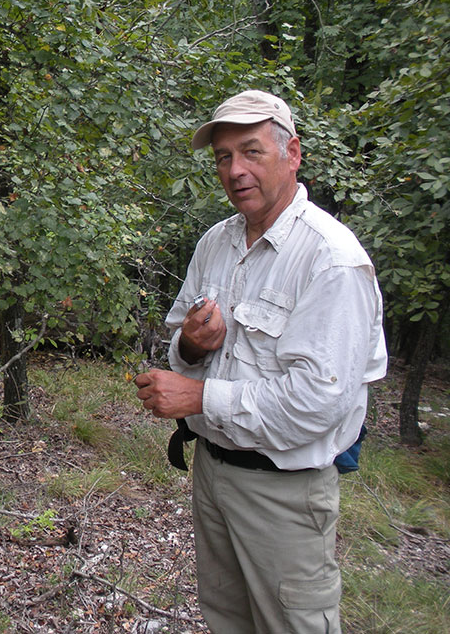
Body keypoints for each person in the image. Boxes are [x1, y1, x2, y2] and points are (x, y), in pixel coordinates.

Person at [134, 90, 387, 633]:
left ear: (292, 153)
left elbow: (317, 403)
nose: (236, 170)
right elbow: (176, 346)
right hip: (212, 472)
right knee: (226, 620)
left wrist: (199, 396)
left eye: (252, 151)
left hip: (286, 492)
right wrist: (193, 347)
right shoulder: (215, 243)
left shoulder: (331, 260)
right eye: (224, 157)